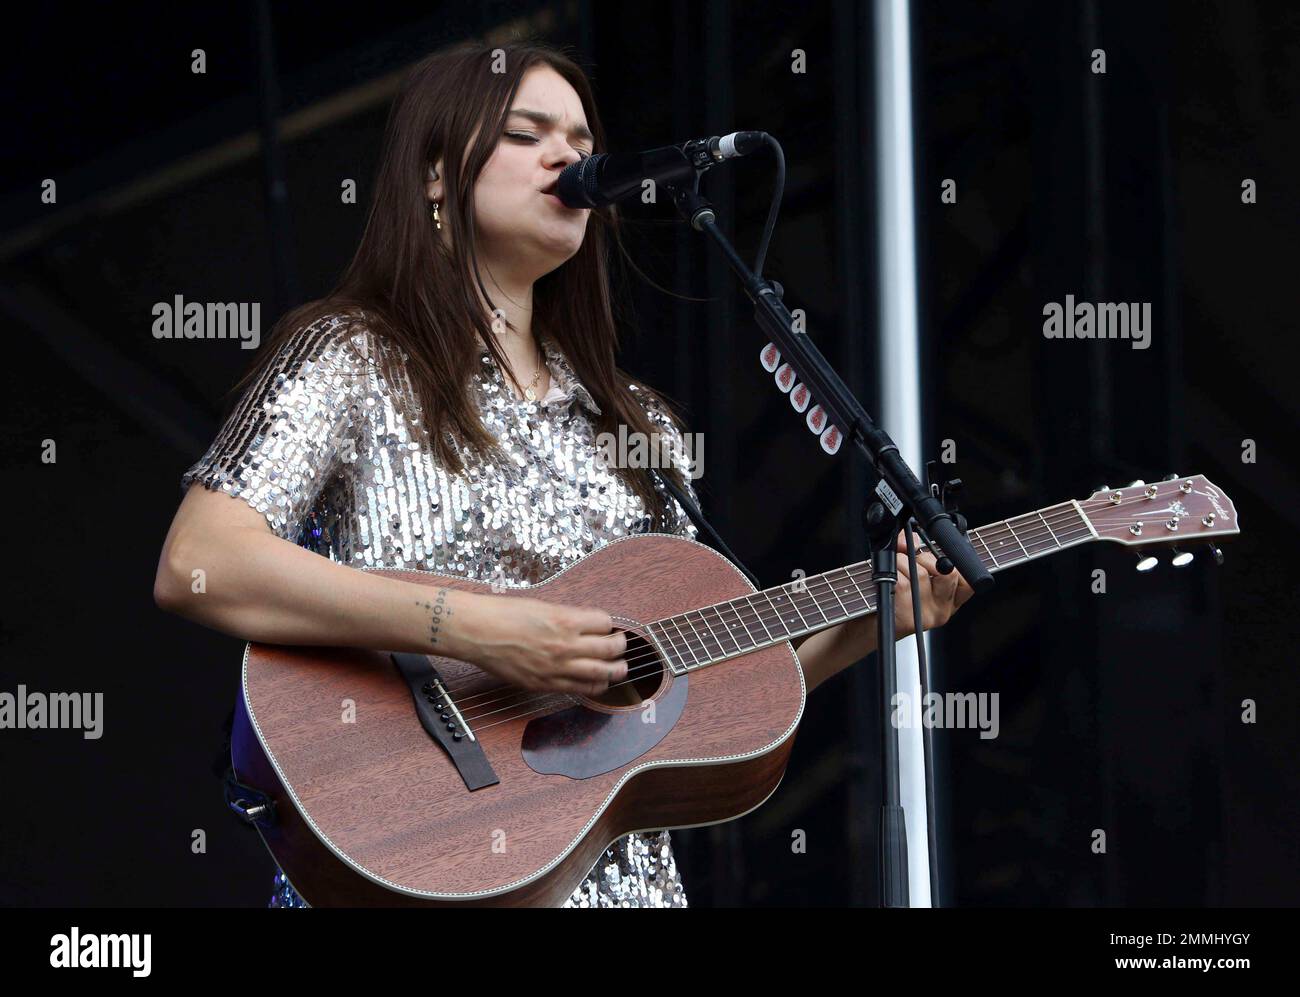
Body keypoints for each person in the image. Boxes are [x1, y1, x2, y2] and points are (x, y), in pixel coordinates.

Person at [153, 39, 973, 908]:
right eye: (527, 132)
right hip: (411, 860)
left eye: (581, 140)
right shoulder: (353, 356)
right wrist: (478, 629)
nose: (571, 157)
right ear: (436, 174)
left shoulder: (637, 423)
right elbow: (201, 560)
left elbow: (680, 714)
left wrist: (875, 618)